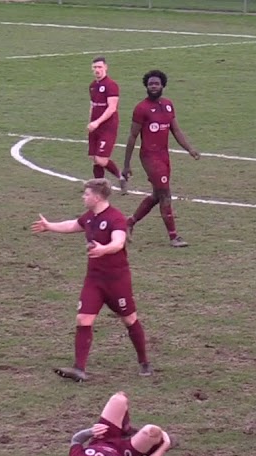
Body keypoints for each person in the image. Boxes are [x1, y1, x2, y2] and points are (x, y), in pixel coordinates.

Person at [31, 178, 151, 382]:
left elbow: (119, 242)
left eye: (86, 194)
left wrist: (103, 249)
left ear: (96, 197)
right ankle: (79, 368)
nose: (83, 197)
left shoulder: (116, 218)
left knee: (129, 319)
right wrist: (49, 226)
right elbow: (72, 225)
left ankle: (144, 362)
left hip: (116, 281)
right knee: (83, 319)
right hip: (94, 280)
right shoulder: (90, 217)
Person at [121, 69, 200, 248]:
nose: (153, 86)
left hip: (164, 156)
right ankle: (174, 236)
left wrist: (190, 149)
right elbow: (132, 136)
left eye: (156, 83)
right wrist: (126, 165)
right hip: (149, 156)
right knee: (165, 193)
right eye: (150, 84)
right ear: (146, 87)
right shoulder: (141, 108)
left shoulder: (168, 105)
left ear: (163, 85)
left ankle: (130, 222)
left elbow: (176, 130)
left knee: (158, 194)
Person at [67, 391, 173, 456]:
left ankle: (125, 430)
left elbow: (76, 440)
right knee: (152, 431)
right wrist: (164, 446)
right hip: (125, 451)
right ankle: (156, 445)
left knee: (119, 398)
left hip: (102, 438)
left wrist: (90, 432)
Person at [87, 56, 123, 184]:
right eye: (95, 67)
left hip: (107, 127)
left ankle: (121, 177)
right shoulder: (92, 86)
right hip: (95, 126)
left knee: (101, 159)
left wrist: (97, 122)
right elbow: (93, 105)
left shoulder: (111, 85)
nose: (97, 70)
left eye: (100, 67)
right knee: (93, 157)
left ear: (105, 67)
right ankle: (99, 186)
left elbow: (112, 108)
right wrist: (90, 122)